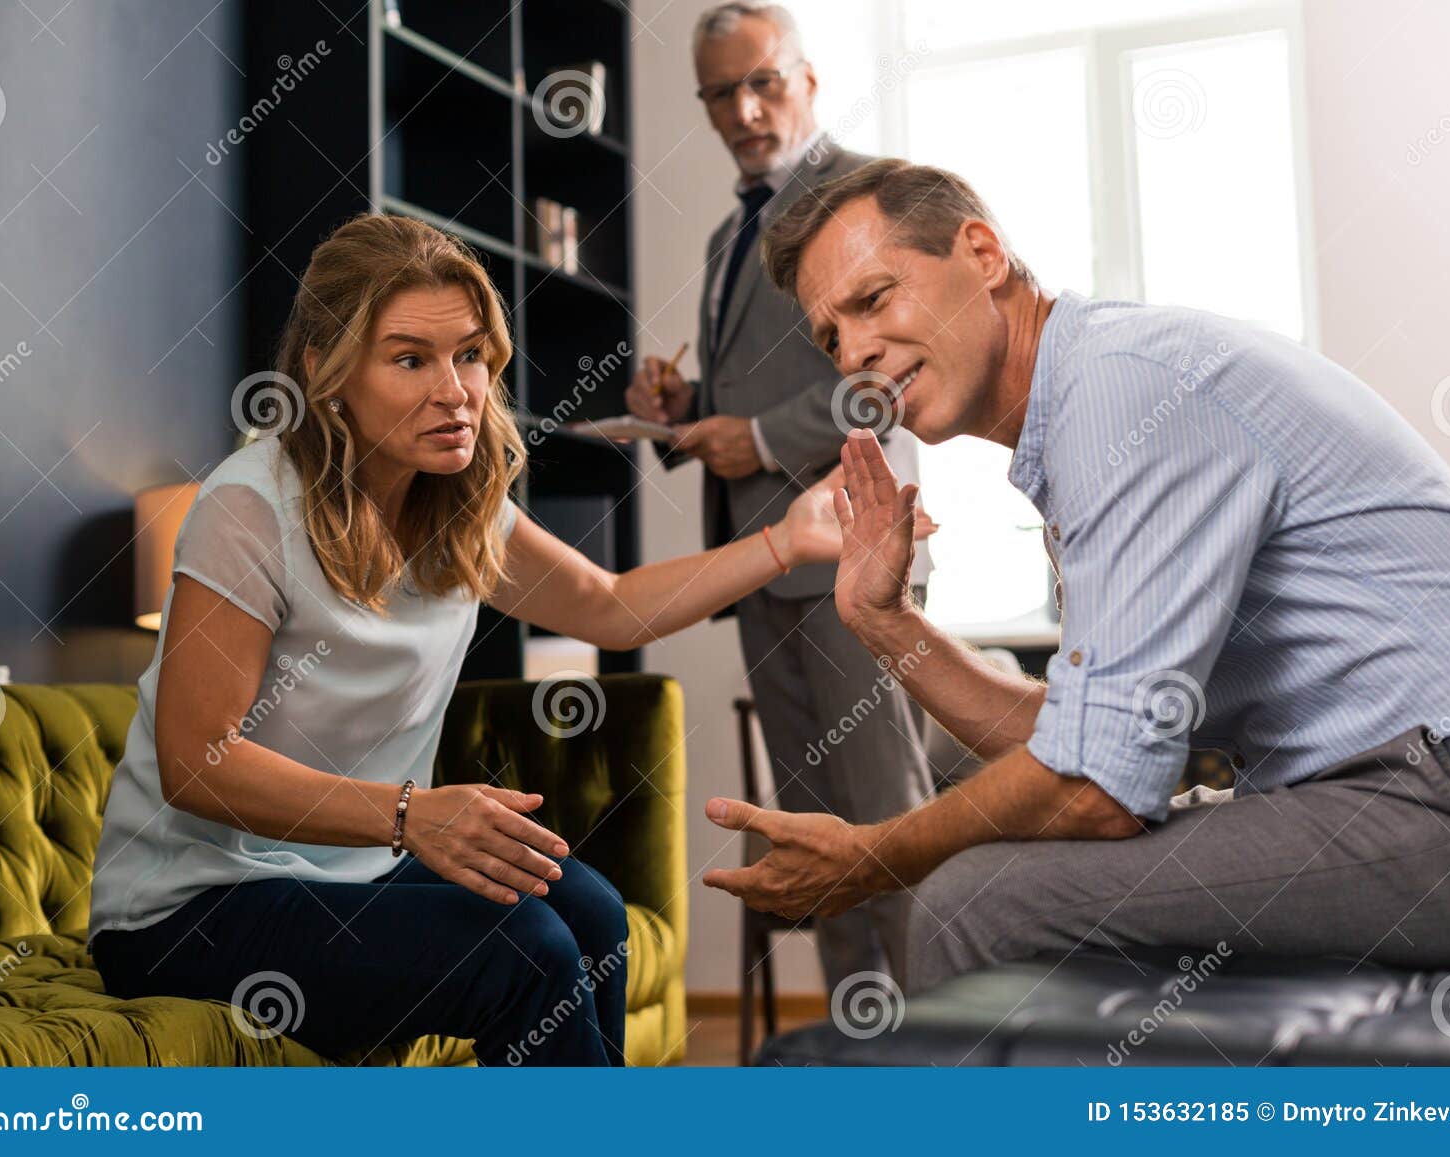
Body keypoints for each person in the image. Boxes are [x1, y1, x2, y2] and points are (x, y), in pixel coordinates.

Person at [87, 211, 925, 1066]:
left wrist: (788, 538)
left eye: (471, 355)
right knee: (526, 950)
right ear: (325, 369)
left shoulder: (458, 503)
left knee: (590, 914)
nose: (454, 390)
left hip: (345, 869)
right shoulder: (250, 507)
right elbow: (198, 762)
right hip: (192, 904)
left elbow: (610, 604)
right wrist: (410, 815)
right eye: (409, 358)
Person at [702, 157, 1450, 993]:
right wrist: (887, 620)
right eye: (832, 336)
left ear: (982, 254)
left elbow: (1095, 786)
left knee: (973, 904)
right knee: (998, 881)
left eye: (874, 298)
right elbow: (1077, 736)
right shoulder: (1088, 400)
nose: (857, 352)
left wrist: (872, 856)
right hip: (1407, 786)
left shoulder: (1124, 393)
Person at [623, 0, 934, 993]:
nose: (745, 108)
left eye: (764, 82)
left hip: (852, 557)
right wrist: (685, 408)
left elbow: (885, 373)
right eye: (722, 92)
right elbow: (761, 384)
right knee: (807, 828)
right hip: (761, 563)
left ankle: (949, 1044)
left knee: (888, 813)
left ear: (807, 78)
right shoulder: (727, 236)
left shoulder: (866, 197)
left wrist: (753, 434)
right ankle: (862, 1045)